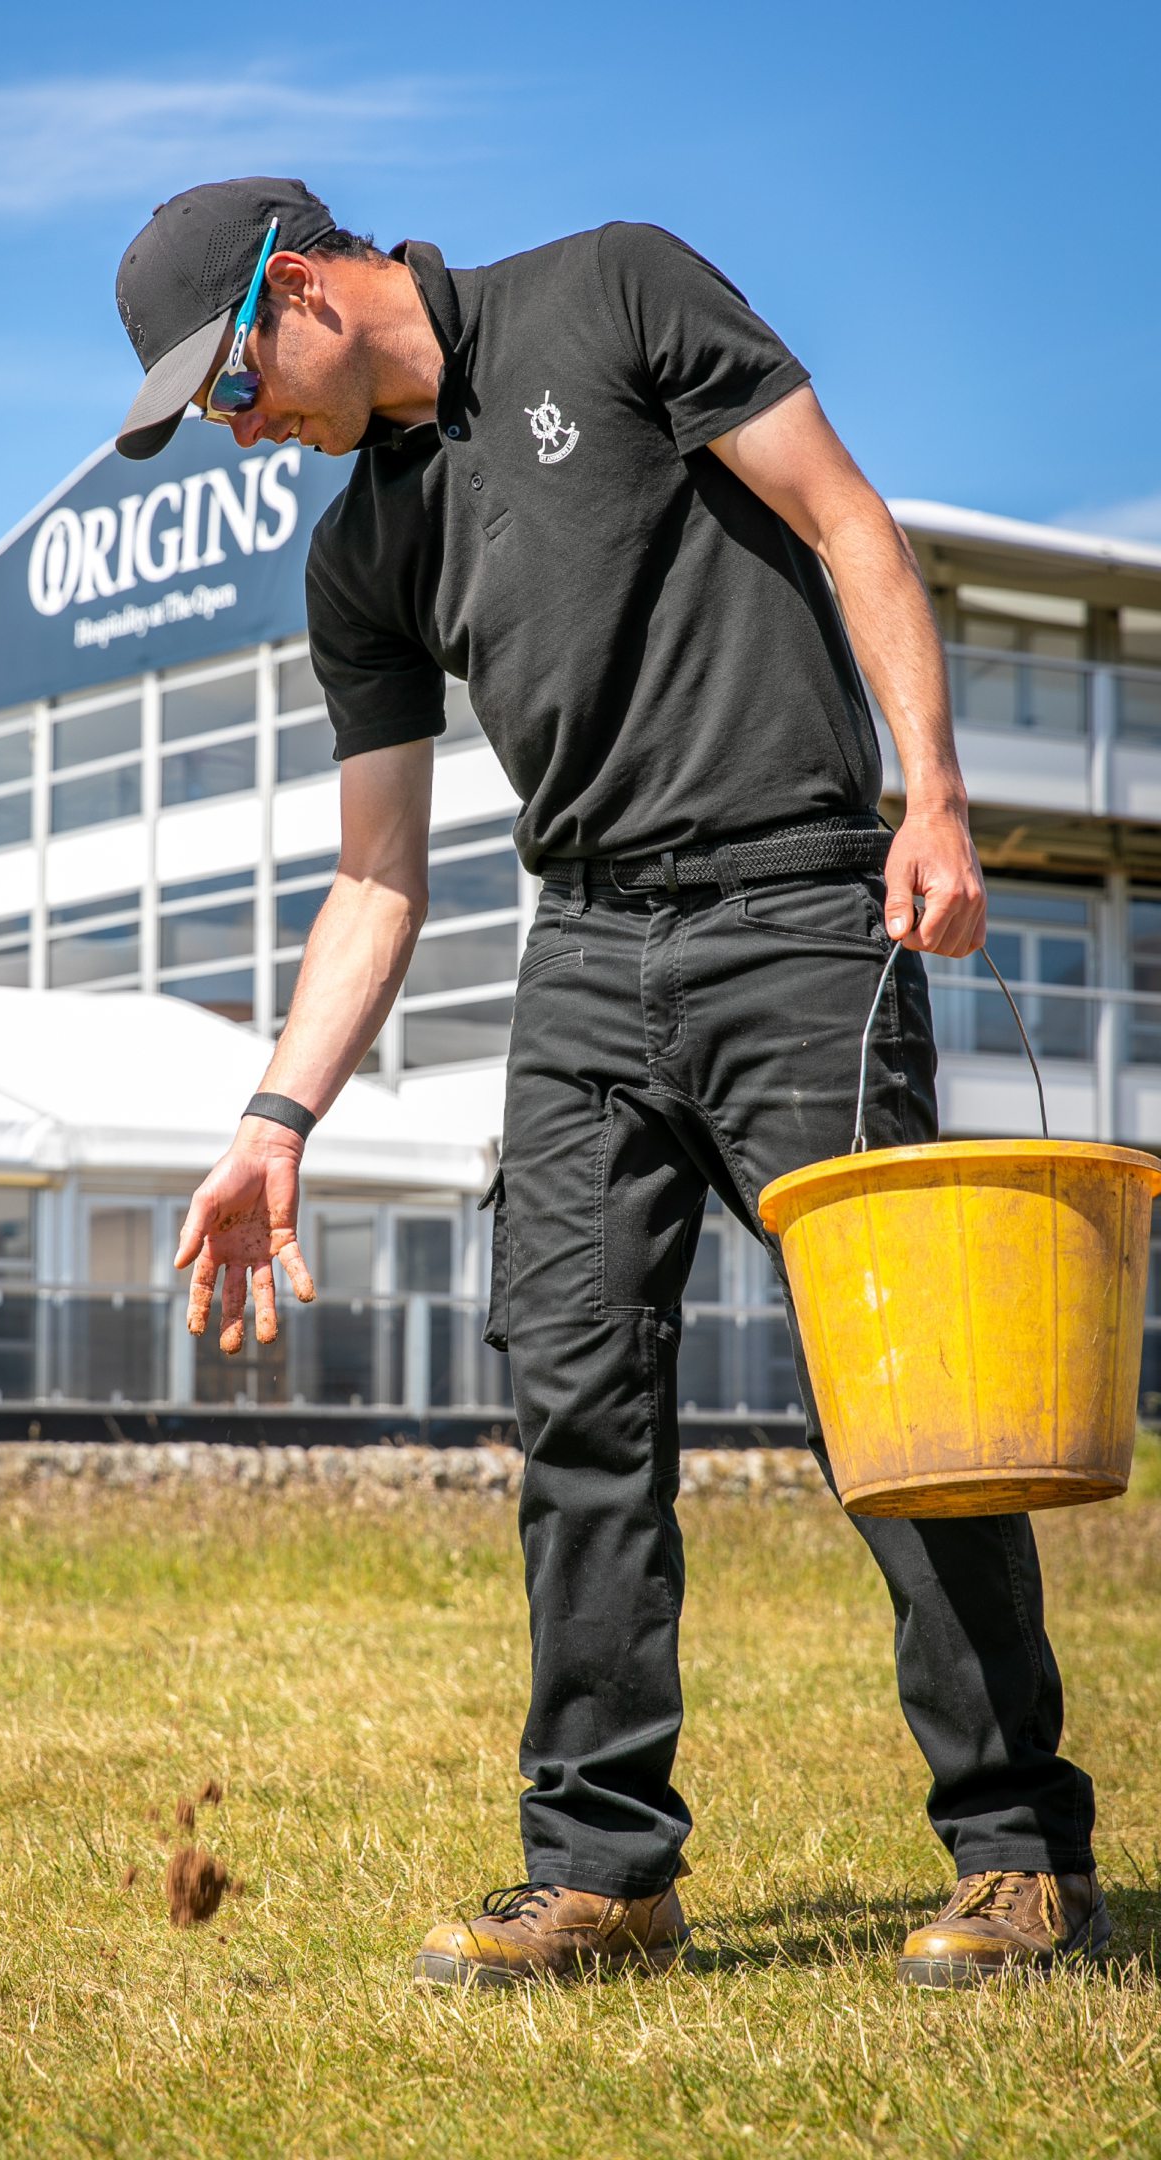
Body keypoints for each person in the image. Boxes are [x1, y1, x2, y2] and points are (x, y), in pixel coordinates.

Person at [111, 177, 1108, 1991]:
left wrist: (936, 797)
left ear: (303, 285)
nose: (232, 427)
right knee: (572, 1400)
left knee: (906, 1407)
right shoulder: (362, 553)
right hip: (584, 956)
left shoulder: (614, 293)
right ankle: (601, 1871)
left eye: (229, 381)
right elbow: (378, 875)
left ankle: (1021, 1857)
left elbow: (850, 521)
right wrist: (275, 1119)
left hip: (800, 910)